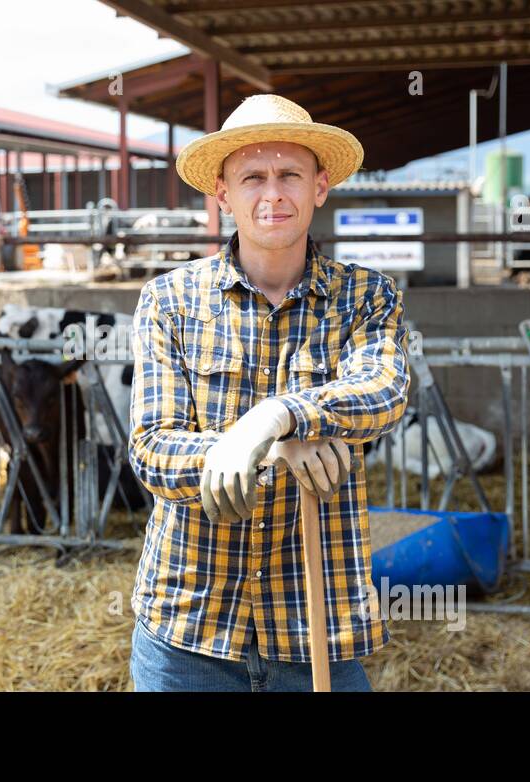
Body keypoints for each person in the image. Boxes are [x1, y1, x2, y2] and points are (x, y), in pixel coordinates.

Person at [126, 94, 411, 692]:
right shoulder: (170, 301)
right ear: (224, 194)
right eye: (252, 177)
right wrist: (271, 447)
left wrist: (278, 415)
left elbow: (383, 391)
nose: (273, 194)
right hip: (188, 630)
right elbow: (153, 450)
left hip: (313, 628)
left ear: (320, 187)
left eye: (290, 175)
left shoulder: (366, 296)